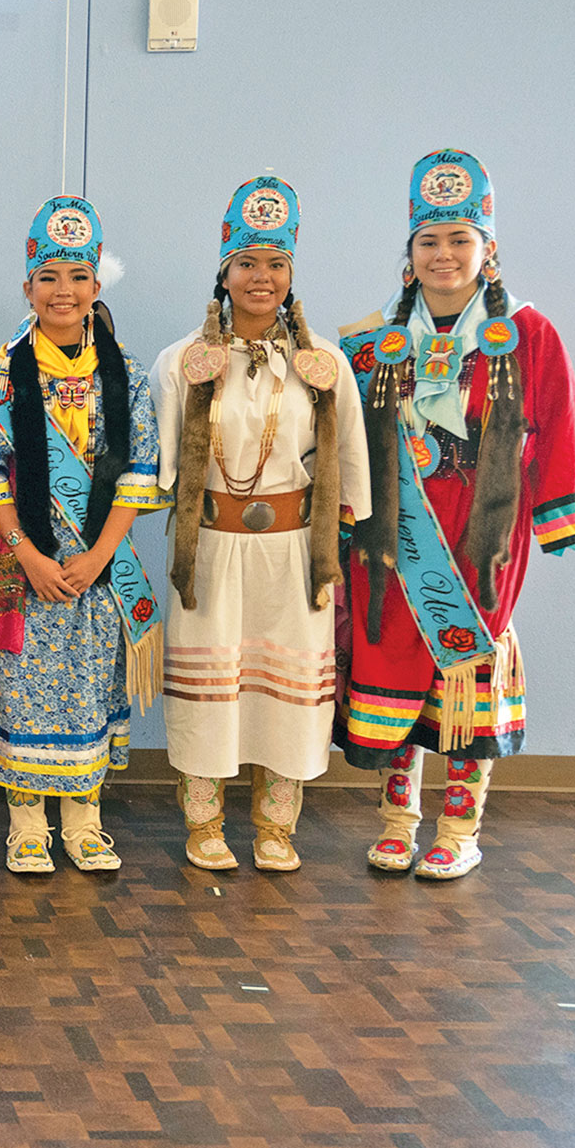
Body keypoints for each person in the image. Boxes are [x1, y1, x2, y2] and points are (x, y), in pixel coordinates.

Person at [338, 150, 575, 879]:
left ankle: (460, 828)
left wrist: (557, 518)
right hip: (394, 533)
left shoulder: (527, 335)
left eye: (460, 240)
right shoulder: (366, 344)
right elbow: (342, 446)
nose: (444, 255)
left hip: (483, 534)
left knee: (467, 669)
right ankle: (398, 818)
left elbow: (558, 423)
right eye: (429, 242)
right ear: (410, 255)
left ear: (488, 252)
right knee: (394, 657)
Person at [152, 176, 371, 872]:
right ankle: (205, 822)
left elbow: (352, 467)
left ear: (291, 275)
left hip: (293, 550)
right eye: (248, 263)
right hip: (212, 548)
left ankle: (276, 828)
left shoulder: (323, 364)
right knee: (212, 689)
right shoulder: (181, 363)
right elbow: (160, 469)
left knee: (285, 694)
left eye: (276, 264)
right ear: (224, 271)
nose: (262, 278)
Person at [0, 197, 169, 873]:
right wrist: (29, 555)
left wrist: (101, 555)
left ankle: (84, 821)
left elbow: (140, 472)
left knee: (88, 688)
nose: (63, 291)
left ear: (95, 289)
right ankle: (26, 824)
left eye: (77, 277)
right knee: (25, 691)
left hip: (97, 569)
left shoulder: (128, 377)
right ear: (28, 287)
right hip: (26, 566)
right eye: (48, 277)